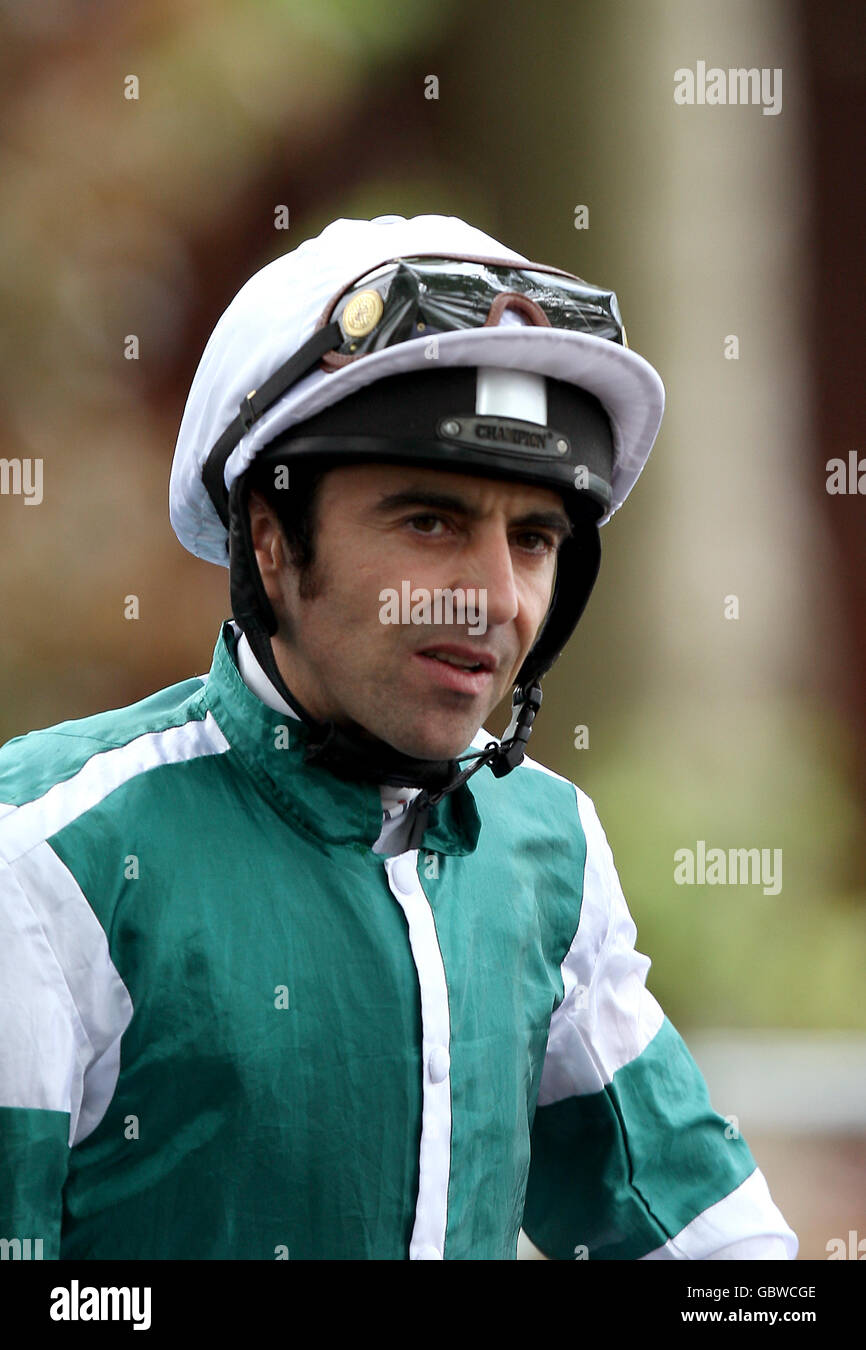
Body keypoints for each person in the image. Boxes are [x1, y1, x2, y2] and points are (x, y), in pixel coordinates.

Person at [0, 213, 797, 1260]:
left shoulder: (545, 846)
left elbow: (714, 1252)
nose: (493, 599)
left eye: (533, 537)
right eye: (430, 523)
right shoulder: (46, 851)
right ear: (273, 543)